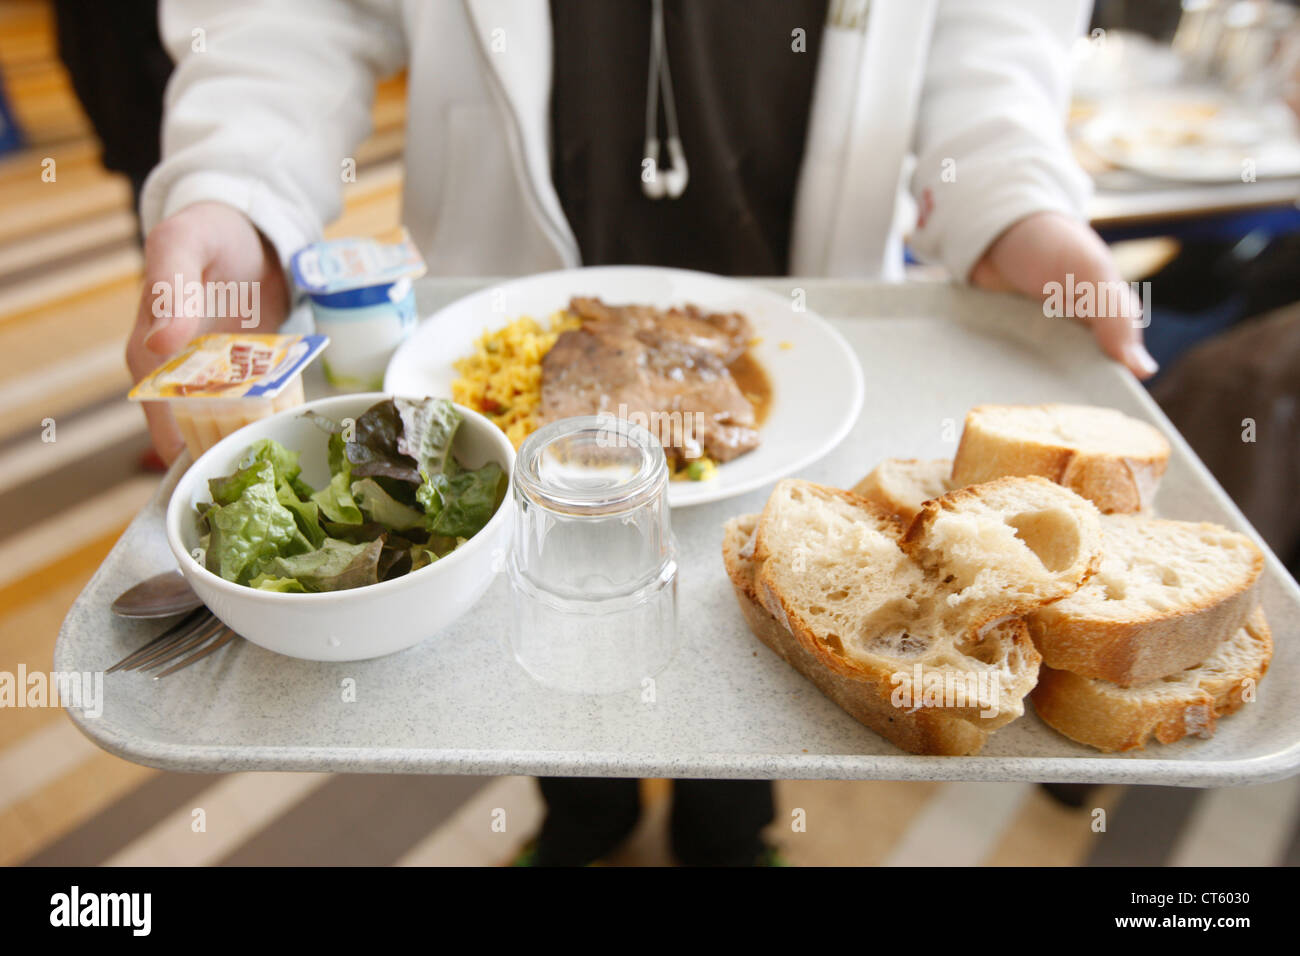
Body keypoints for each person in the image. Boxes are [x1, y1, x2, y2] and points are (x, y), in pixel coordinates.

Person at [126, 0, 1156, 866]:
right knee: (548, 596)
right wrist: (242, 187)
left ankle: (732, 833)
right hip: (514, 294)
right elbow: (289, 17)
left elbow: (990, 40)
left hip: (801, 312)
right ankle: (583, 816)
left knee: (778, 591)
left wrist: (1012, 201)